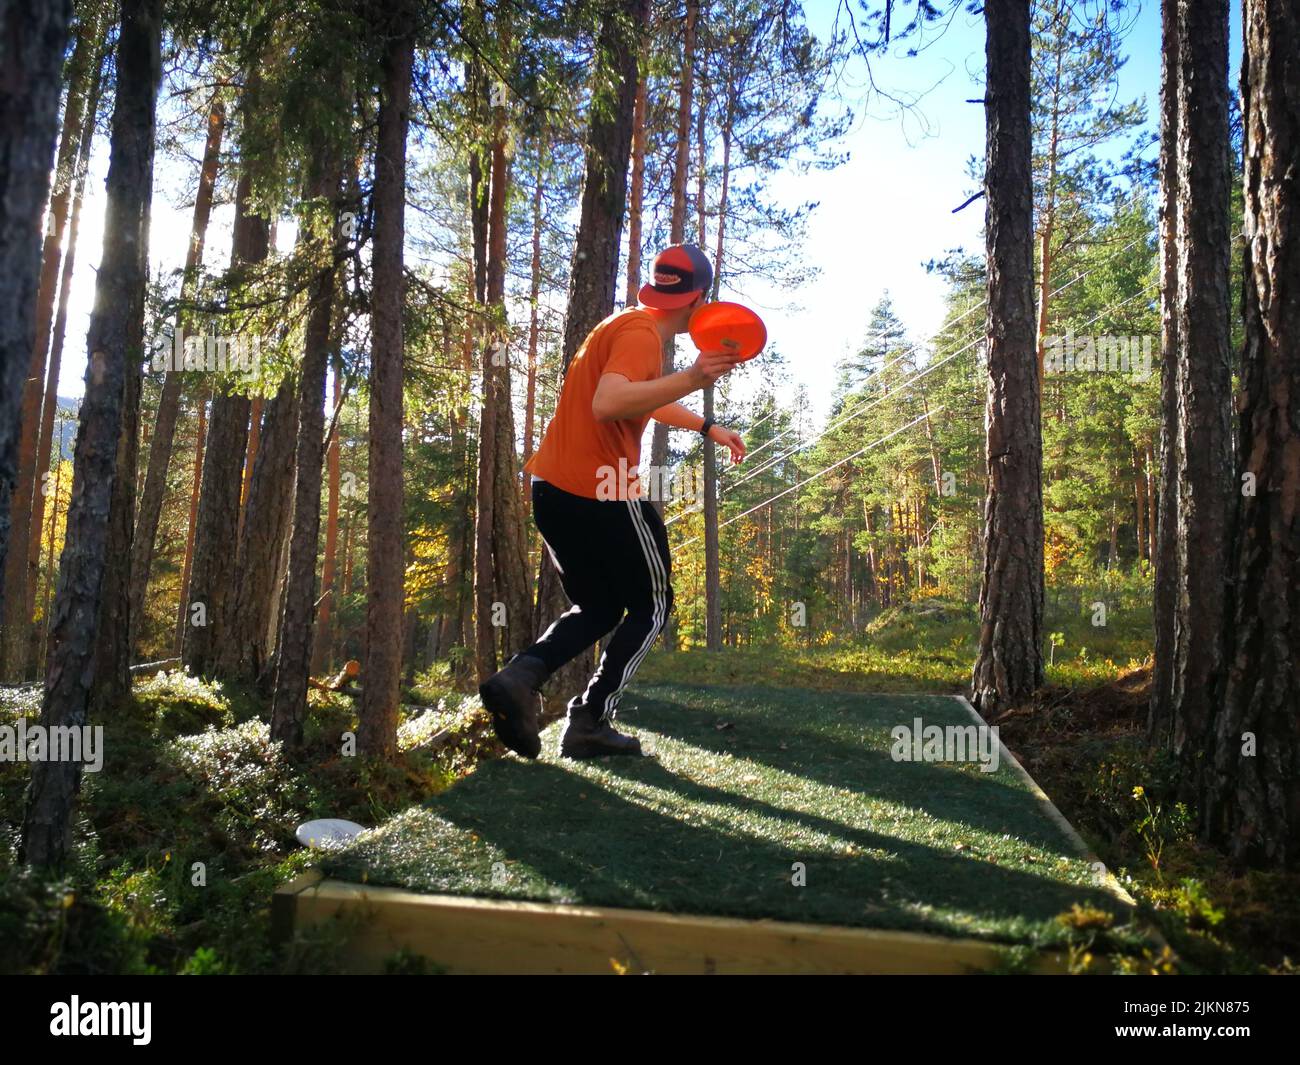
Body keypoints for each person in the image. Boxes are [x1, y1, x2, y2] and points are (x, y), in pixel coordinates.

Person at [480, 244, 746, 759]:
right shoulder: (643, 335)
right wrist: (695, 375)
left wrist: (709, 426)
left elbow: (642, 396)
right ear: (699, 300)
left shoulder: (625, 325)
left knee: (600, 606)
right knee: (653, 604)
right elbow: (609, 403)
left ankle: (521, 677)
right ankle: (590, 721)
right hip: (600, 491)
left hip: (552, 491)